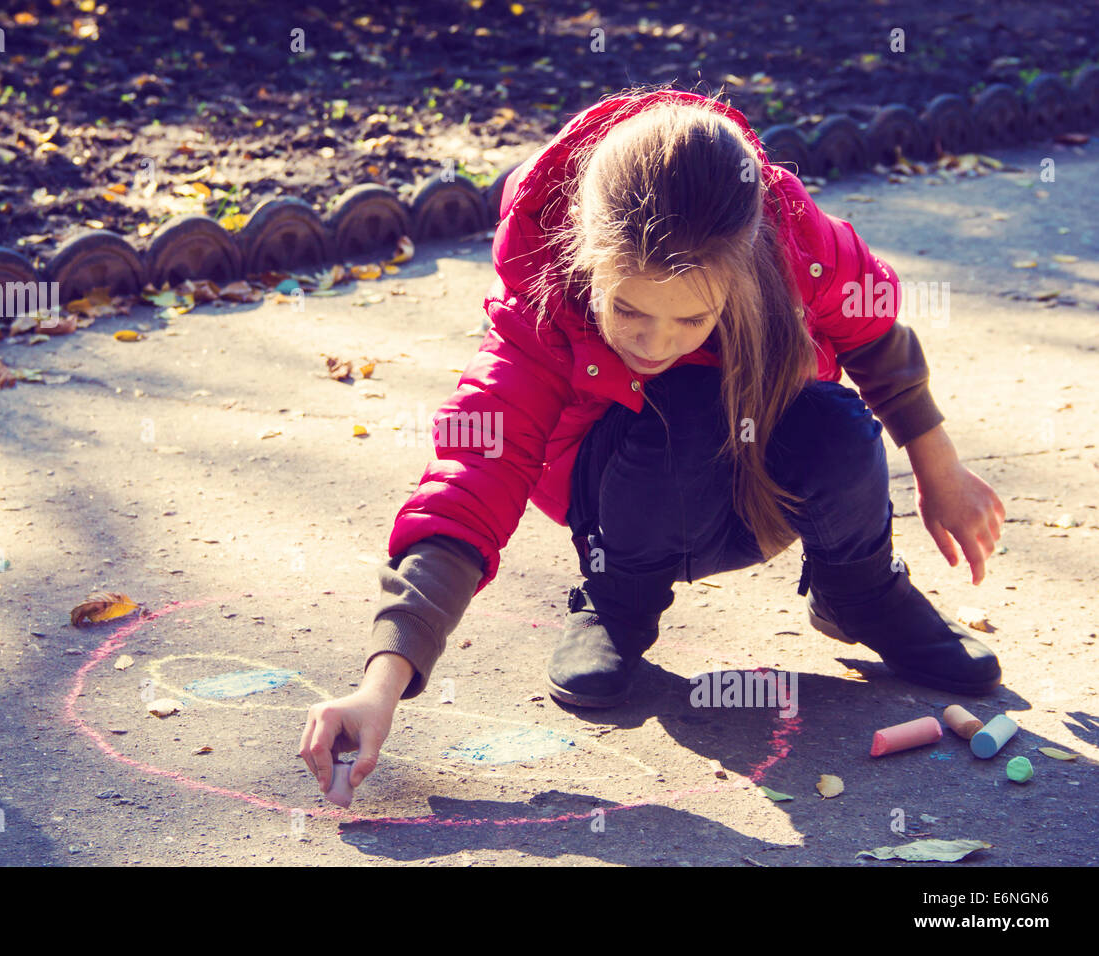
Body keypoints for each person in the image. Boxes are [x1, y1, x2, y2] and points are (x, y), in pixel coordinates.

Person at [299, 85, 1005, 800]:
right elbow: (470, 476)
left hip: (753, 487)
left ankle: (860, 594)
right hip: (627, 503)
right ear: (585, 257)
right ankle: (618, 601)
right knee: (682, 404)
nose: (654, 342)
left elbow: (874, 330)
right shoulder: (539, 306)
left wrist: (939, 465)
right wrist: (382, 680)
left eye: (691, 318)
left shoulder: (796, 240)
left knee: (838, 426)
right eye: (627, 309)